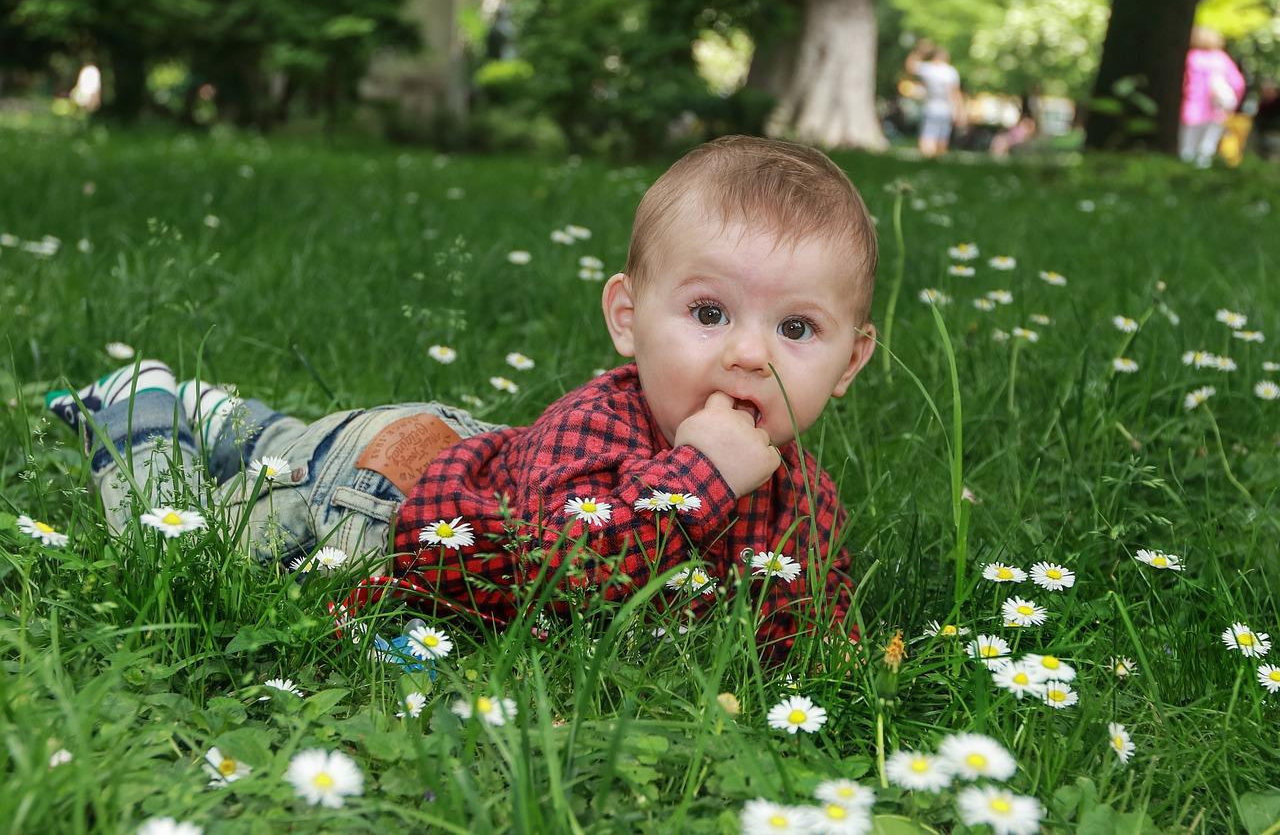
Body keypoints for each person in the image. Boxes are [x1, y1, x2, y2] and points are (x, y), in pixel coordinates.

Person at [45, 135, 878, 657]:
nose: (748, 354)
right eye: (708, 312)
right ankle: (141, 412)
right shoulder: (592, 425)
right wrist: (697, 477)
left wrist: (842, 658)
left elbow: (798, 613)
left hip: (431, 449)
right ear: (627, 319)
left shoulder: (805, 497)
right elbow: (559, 573)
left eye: (797, 329)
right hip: (373, 497)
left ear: (849, 361)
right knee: (182, 543)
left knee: (284, 451)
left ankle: (240, 422)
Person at [1180, 26, 1245, 168]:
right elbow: (1238, 83)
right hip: (1217, 111)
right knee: (1207, 148)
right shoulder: (1222, 59)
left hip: (1192, 109)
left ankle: (1183, 176)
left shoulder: (1191, 57)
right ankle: (1202, 177)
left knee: (1187, 148)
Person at [905, 41, 965, 157]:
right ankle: (937, 162)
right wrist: (960, 112)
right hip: (946, 109)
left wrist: (919, 51)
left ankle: (928, 161)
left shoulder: (929, 69)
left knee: (927, 138)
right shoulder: (951, 72)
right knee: (942, 140)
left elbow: (910, 66)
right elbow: (956, 94)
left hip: (931, 108)